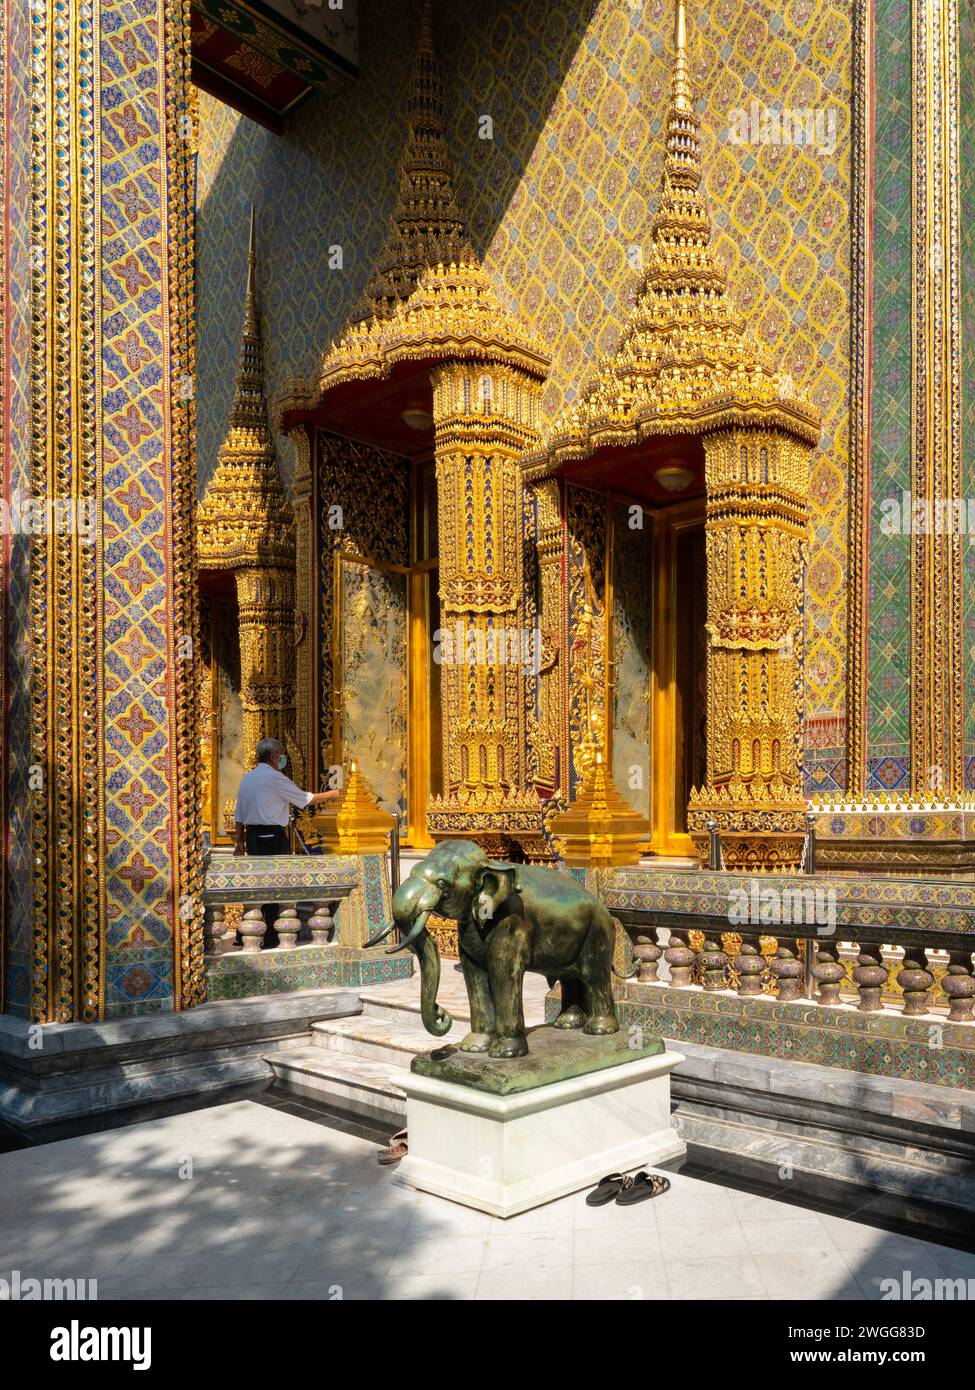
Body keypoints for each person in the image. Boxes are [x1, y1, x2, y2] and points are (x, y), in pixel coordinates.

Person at [233, 737, 338, 944]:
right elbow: (306, 799)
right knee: (275, 883)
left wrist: (239, 843)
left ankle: (244, 931)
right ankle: (272, 935)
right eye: (281, 753)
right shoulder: (275, 778)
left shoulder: (247, 778)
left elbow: (239, 816)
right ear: (273, 757)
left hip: (252, 837)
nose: (283, 757)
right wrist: (334, 793)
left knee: (256, 883)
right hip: (272, 836)